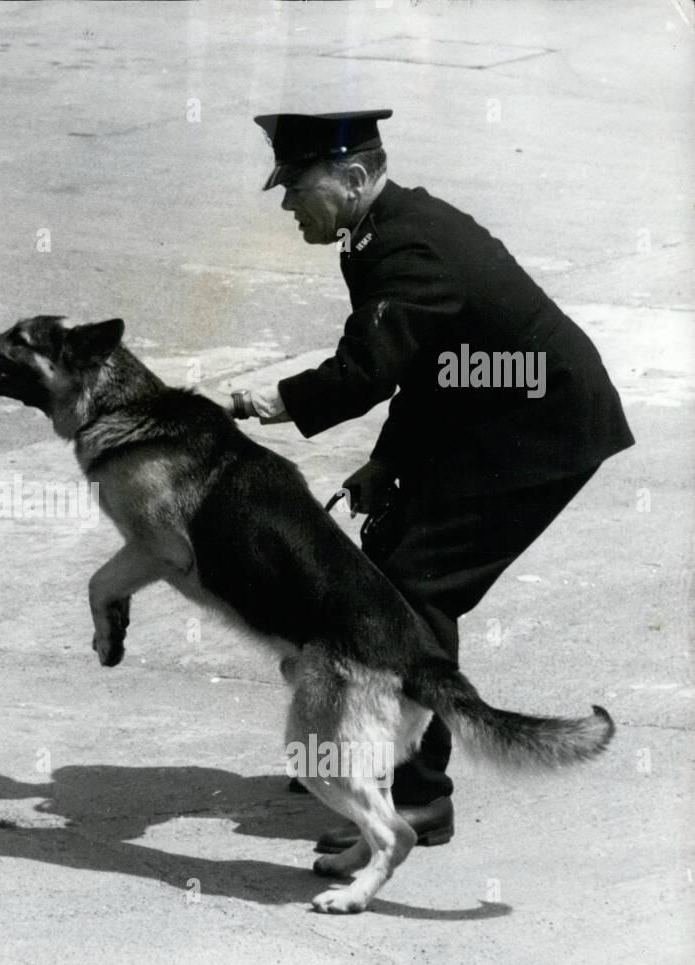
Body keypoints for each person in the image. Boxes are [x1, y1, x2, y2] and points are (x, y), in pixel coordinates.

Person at [231, 110, 633, 852]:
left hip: (541, 426)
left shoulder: (405, 245)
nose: (287, 205)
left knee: (414, 586)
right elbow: (430, 365)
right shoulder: (381, 232)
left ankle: (419, 798)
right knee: (389, 564)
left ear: (353, 179)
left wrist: (279, 399)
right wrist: (389, 463)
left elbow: (370, 371)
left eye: (296, 187)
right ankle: (360, 755)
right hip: (494, 411)